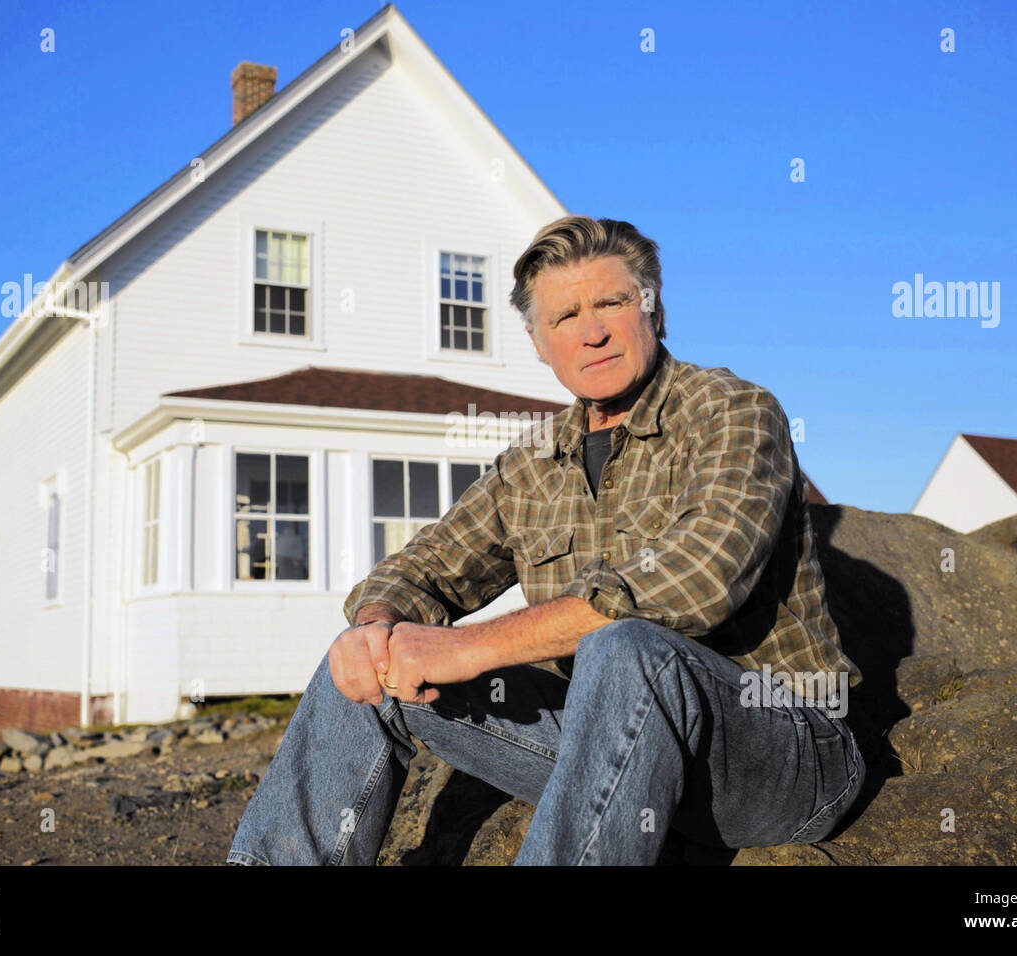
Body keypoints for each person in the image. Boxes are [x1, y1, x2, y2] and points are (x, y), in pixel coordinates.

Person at [226, 215, 864, 865]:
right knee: (366, 653)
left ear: (653, 308)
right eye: (564, 317)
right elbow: (427, 566)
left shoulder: (732, 411)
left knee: (627, 648)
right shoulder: (532, 460)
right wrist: (378, 623)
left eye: (611, 302)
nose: (592, 332)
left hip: (778, 751)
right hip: (607, 743)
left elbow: (700, 579)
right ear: (537, 339)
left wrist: (468, 648)